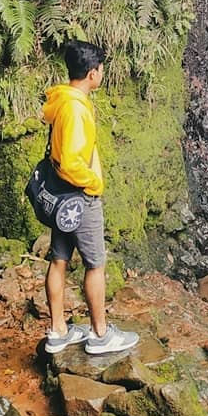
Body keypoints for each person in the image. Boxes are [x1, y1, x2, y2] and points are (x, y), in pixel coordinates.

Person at [42, 40, 138, 357]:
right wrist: (93, 182)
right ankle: (99, 335)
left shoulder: (63, 100)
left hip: (61, 196)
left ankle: (58, 330)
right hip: (79, 197)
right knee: (95, 265)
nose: (103, 74)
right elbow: (71, 160)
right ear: (93, 73)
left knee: (59, 259)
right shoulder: (74, 108)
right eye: (101, 70)